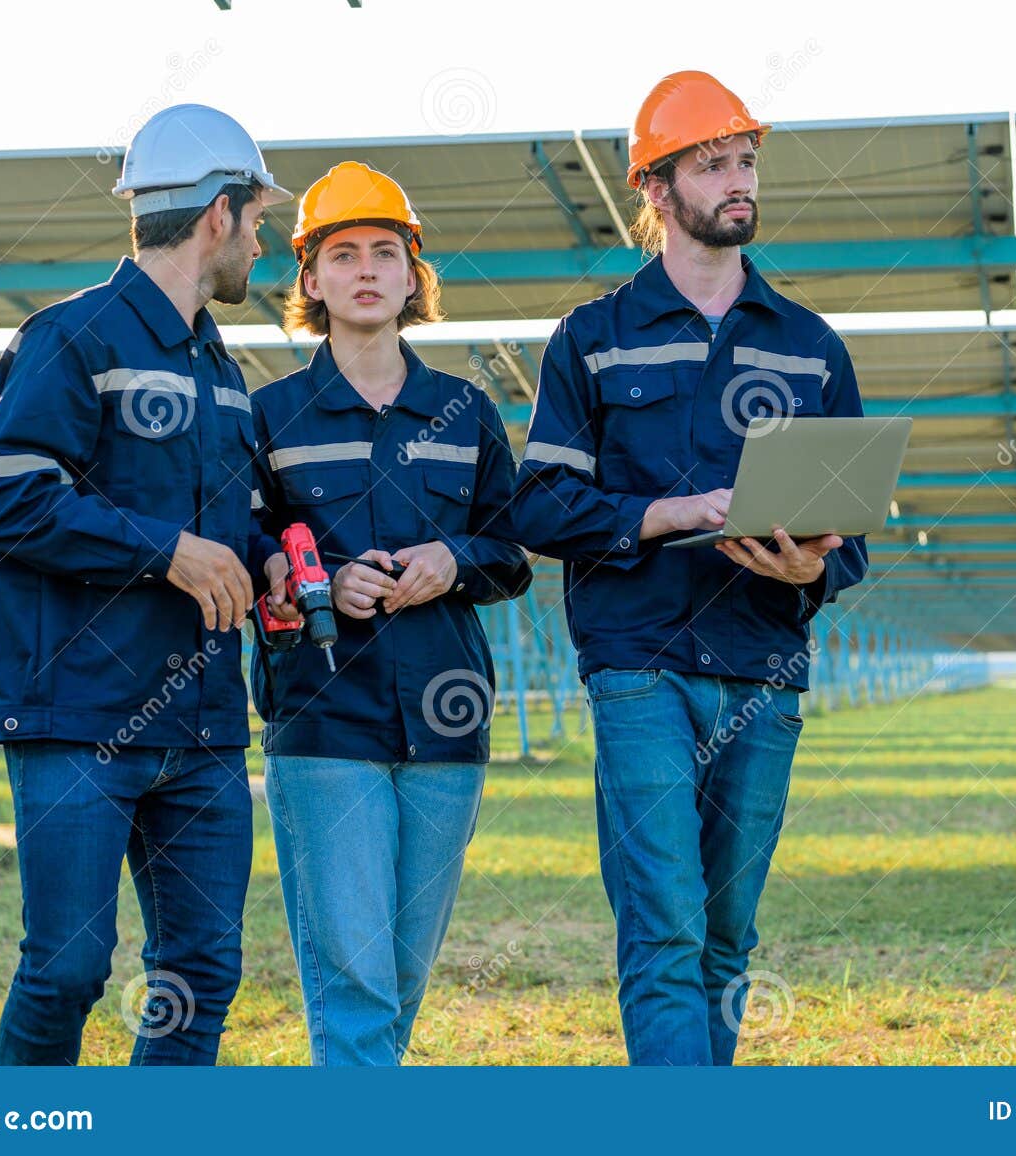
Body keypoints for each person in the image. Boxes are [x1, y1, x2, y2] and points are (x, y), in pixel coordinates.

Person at [508, 71, 869, 1065]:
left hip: (763, 665)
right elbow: (538, 504)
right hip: (639, 664)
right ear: (656, 190)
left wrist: (806, 571)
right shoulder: (591, 339)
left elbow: (851, 540)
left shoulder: (811, 347)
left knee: (725, 938)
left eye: (745, 160)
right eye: (712, 165)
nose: (738, 179)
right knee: (665, 928)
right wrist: (663, 514)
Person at [0, 103, 289, 1065]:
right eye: (259, 221)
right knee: (67, 969)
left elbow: (226, 522)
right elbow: (8, 497)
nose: (262, 245)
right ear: (220, 213)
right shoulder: (72, 337)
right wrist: (169, 552)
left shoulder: (222, 370)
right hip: (78, 717)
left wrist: (265, 558)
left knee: (201, 972)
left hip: (202, 725)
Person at [250, 161, 532, 1065]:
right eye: (342, 254)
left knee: (402, 974)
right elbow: (246, 553)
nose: (365, 269)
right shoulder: (268, 418)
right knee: (356, 978)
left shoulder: (465, 412)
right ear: (311, 278)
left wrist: (454, 562)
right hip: (324, 718)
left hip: (447, 720)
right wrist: (320, 582)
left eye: (385, 251)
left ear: (414, 277)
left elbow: (511, 552)